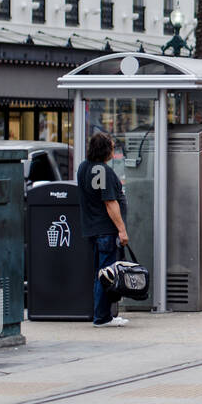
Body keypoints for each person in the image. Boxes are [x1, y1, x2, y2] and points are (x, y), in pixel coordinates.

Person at [76, 132, 131, 328]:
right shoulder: (104, 172)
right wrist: (122, 230)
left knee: (101, 273)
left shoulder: (83, 168)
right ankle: (102, 317)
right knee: (106, 273)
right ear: (105, 149)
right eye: (112, 147)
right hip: (106, 230)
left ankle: (104, 314)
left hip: (91, 229)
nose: (113, 150)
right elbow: (109, 202)